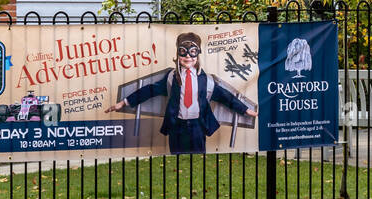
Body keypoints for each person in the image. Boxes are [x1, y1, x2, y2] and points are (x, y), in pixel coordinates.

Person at [103, 31, 257, 155]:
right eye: (183, 53)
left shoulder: (207, 80)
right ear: (178, 55)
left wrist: (245, 109)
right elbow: (149, 90)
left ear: (197, 55)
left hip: (198, 125)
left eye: (192, 53)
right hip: (177, 126)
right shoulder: (171, 78)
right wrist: (123, 102)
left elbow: (226, 97)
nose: (188, 56)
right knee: (177, 158)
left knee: (197, 159)